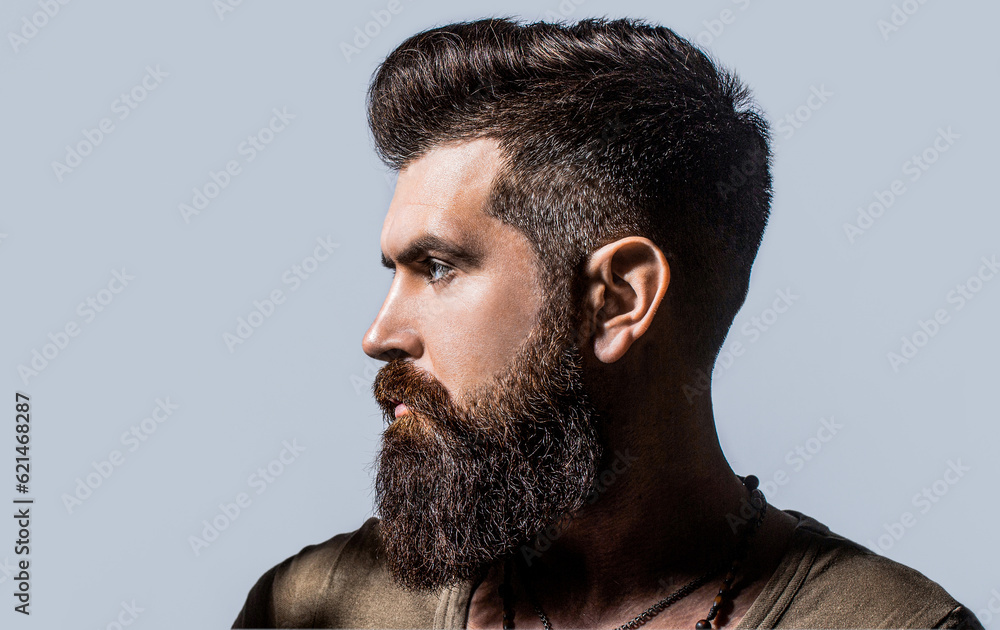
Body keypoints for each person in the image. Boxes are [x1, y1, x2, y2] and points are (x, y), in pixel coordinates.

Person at [233, 17, 982, 629]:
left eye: (438, 267)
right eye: (393, 273)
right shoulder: (316, 606)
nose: (380, 335)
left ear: (620, 299)